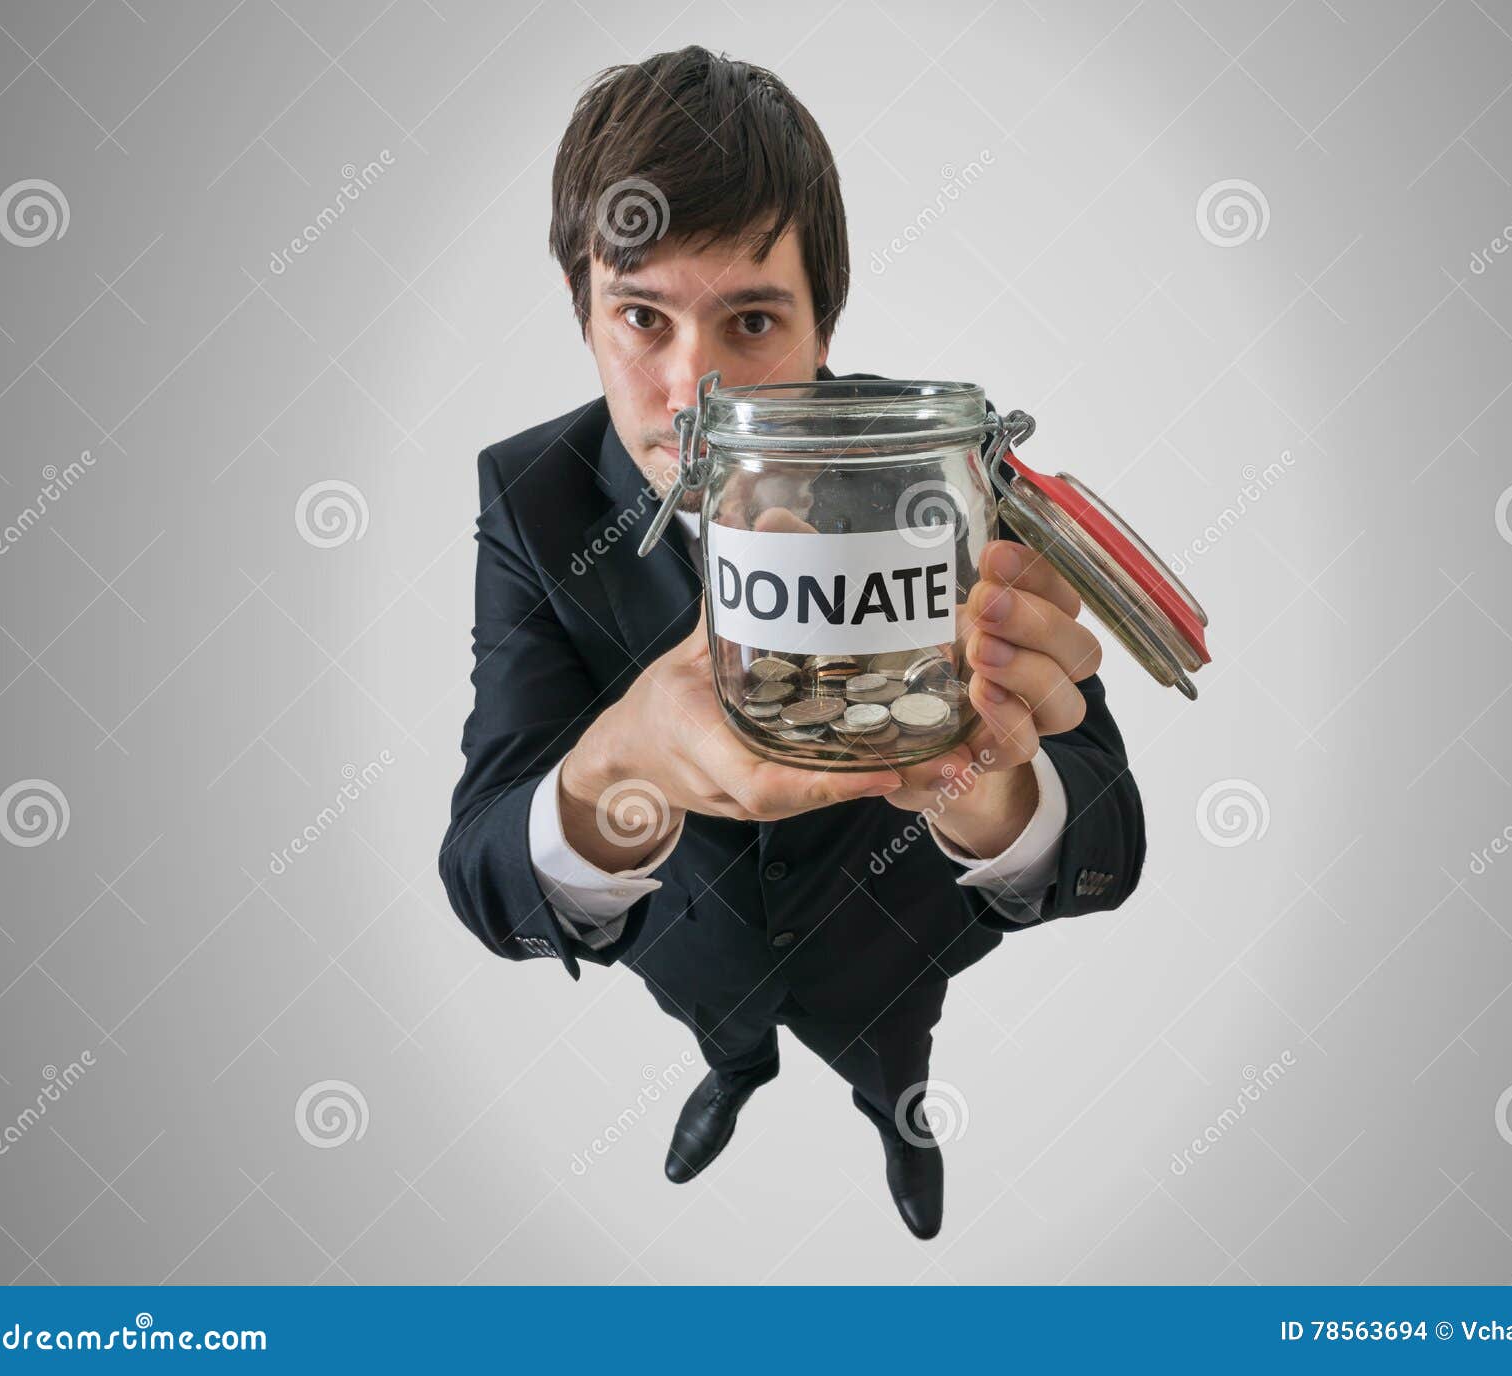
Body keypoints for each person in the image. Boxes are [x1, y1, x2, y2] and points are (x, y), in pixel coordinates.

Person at [439, 45, 1145, 1241]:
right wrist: (619, 762)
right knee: (725, 1028)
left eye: (752, 318)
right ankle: (734, 1072)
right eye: (642, 317)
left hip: (893, 942)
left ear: (825, 326)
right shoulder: (532, 498)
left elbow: (1109, 840)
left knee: (891, 1051)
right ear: (582, 314)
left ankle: (898, 1114)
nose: (693, 393)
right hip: (685, 943)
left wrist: (991, 786)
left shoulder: (932, 467)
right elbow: (482, 866)